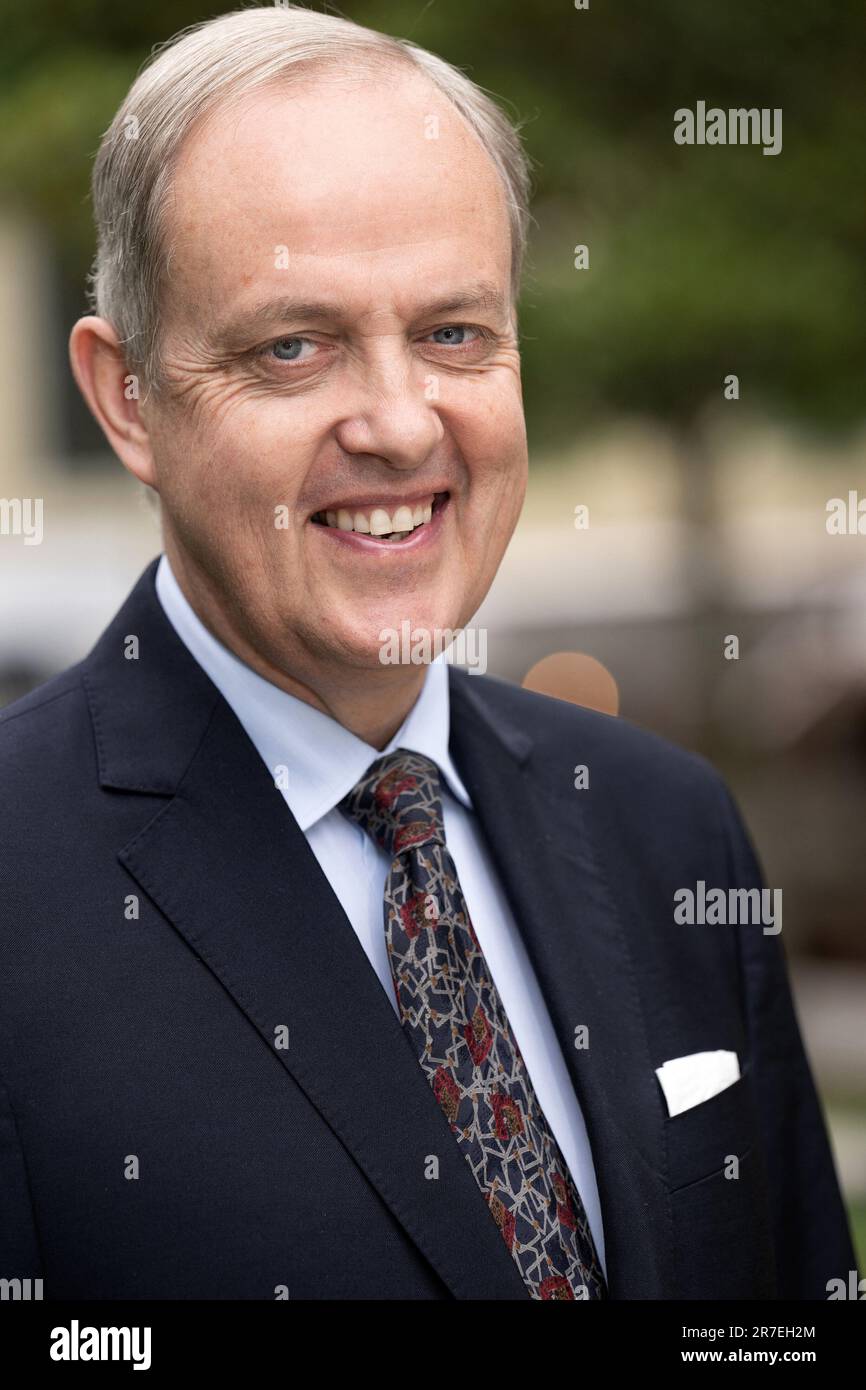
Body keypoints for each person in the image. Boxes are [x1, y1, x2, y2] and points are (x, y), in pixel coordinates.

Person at [0, 6, 855, 1300]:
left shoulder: (664, 827)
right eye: (293, 346)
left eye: (454, 333)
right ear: (129, 399)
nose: (400, 425)